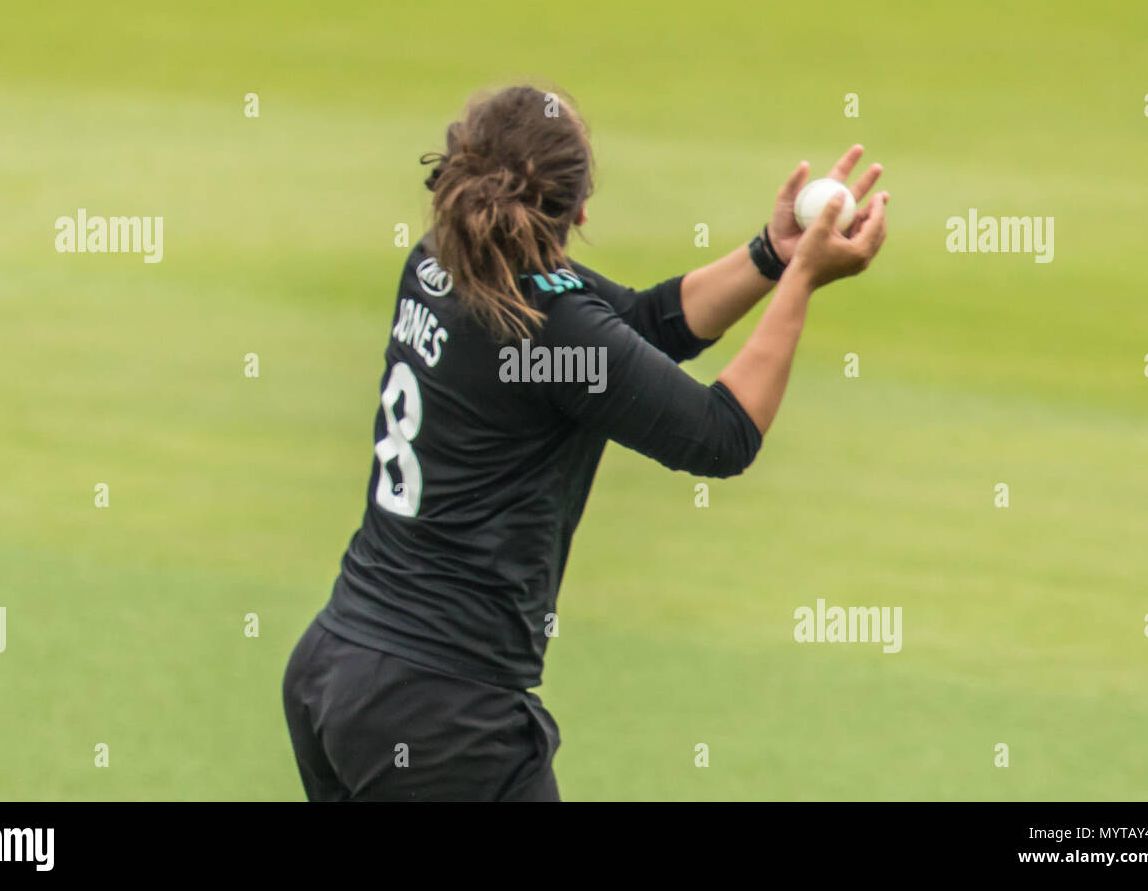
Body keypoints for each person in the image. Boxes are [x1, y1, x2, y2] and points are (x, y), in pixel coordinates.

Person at [283, 85, 889, 800]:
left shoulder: (440, 259)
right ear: (578, 209)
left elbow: (638, 324)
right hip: (441, 717)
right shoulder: (548, 322)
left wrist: (771, 256)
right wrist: (805, 283)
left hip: (337, 673)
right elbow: (722, 437)